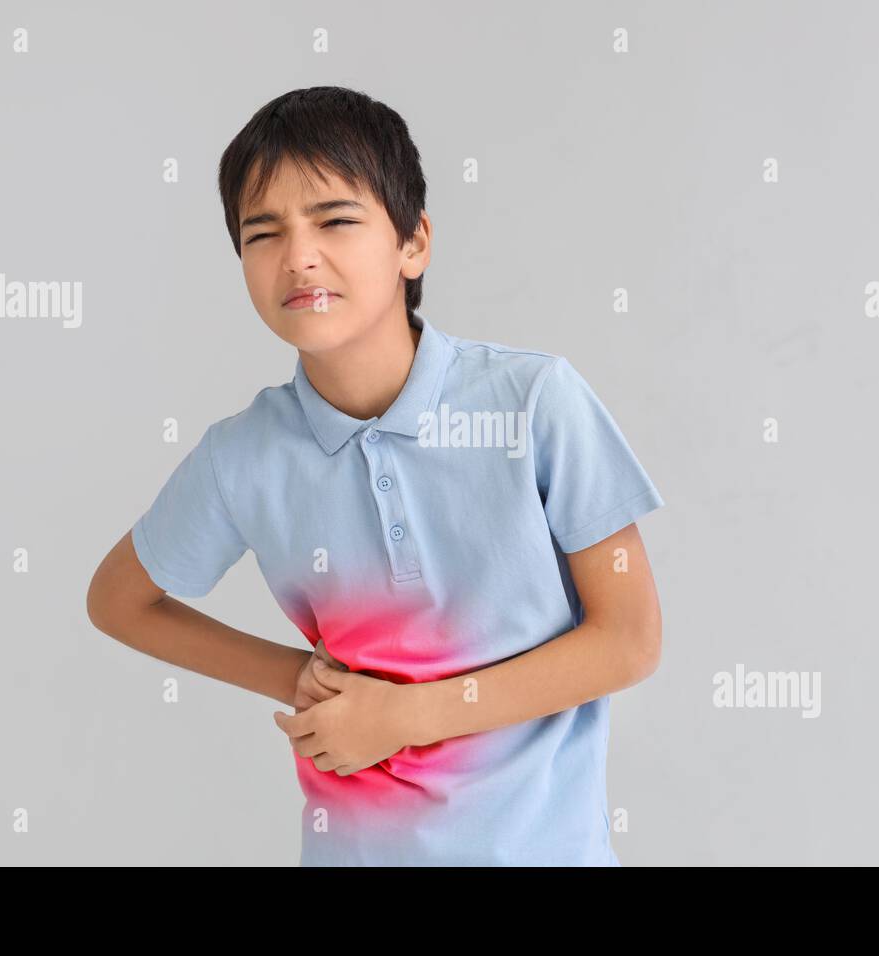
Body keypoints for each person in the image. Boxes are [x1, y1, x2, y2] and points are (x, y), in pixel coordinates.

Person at [86, 86, 665, 866]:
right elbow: (119, 600)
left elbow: (628, 641)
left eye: (335, 220)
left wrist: (409, 716)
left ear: (413, 242)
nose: (299, 255)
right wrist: (301, 679)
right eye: (264, 233)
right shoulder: (242, 457)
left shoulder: (533, 403)